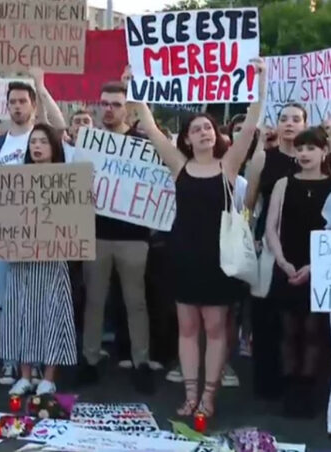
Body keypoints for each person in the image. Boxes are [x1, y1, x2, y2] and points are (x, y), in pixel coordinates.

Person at [132, 58, 266, 417]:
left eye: (208, 127)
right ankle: (190, 396)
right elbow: (151, 128)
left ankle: (209, 397)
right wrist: (135, 89)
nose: (204, 132)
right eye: (197, 129)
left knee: (216, 328)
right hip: (184, 256)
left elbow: (252, 123)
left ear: (216, 134)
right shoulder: (179, 165)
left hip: (219, 258)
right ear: (187, 139)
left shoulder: (229, 165)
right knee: (188, 328)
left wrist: (261, 82)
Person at [78, 80, 155, 395]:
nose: (108, 109)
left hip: (134, 237)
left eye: (116, 104)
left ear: (128, 109)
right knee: (94, 301)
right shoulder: (89, 142)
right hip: (96, 234)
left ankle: (141, 363)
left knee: (136, 302)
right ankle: (90, 359)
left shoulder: (142, 143)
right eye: (104, 104)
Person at [1, 123, 77, 396]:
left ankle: (49, 377)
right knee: (21, 313)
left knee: (52, 314)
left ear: (54, 147)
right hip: (22, 258)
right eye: (33, 141)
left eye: (43, 141)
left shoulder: (68, 178)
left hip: (53, 259)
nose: (37, 146)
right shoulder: (15, 179)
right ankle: (24, 375)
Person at [265, 127, 331, 418]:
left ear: (324, 151)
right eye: (300, 148)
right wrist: (281, 260)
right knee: (288, 329)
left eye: (311, 148)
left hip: (321, 268)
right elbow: (271, 226)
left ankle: (308, 389)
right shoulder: (283, 183)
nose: (304, 154)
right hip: (287, 264)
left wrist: (314, 266)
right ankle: (291, 389)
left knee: (314, 330)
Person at [244, 102, 309, 400]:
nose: (290, 123)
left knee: (300, 319)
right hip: (268, 247)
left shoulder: (316, 160)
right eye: (284, 118)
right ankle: (266, 383)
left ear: (305, 125)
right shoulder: (263, 158)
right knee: (266, 314)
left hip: (305, 247)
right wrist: (249, 236)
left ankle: (299, 383)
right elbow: (248, 203)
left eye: (296, 119)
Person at [0, 80, 37, 385]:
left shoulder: (42, 139)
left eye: (22, 101)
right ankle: (9, 359)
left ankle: (34, 360)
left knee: (34, 299)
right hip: (3, 230)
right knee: (3, 299)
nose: (17, 107)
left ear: (33, 105)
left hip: (38, 232)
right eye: (12, 102)